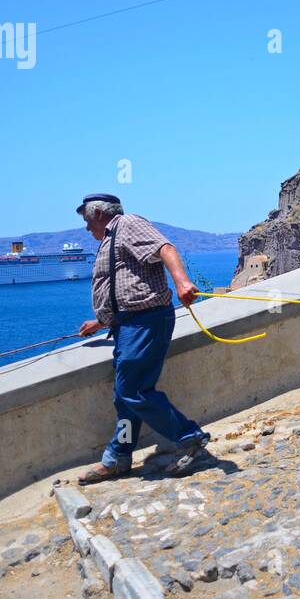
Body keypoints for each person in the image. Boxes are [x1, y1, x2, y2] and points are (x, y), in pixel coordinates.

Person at [75, 193, 211, 484]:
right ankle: (118, 458)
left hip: (146, 321)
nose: (87, 228)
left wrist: (182, 282)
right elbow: (124, 285)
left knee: (132, 391)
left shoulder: (128, 224)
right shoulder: (110, 239)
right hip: (127, 326)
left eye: (87, 220)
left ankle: (190, 439)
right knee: (124, 398)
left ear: (98, 213)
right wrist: (101, 321)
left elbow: (165, 248)